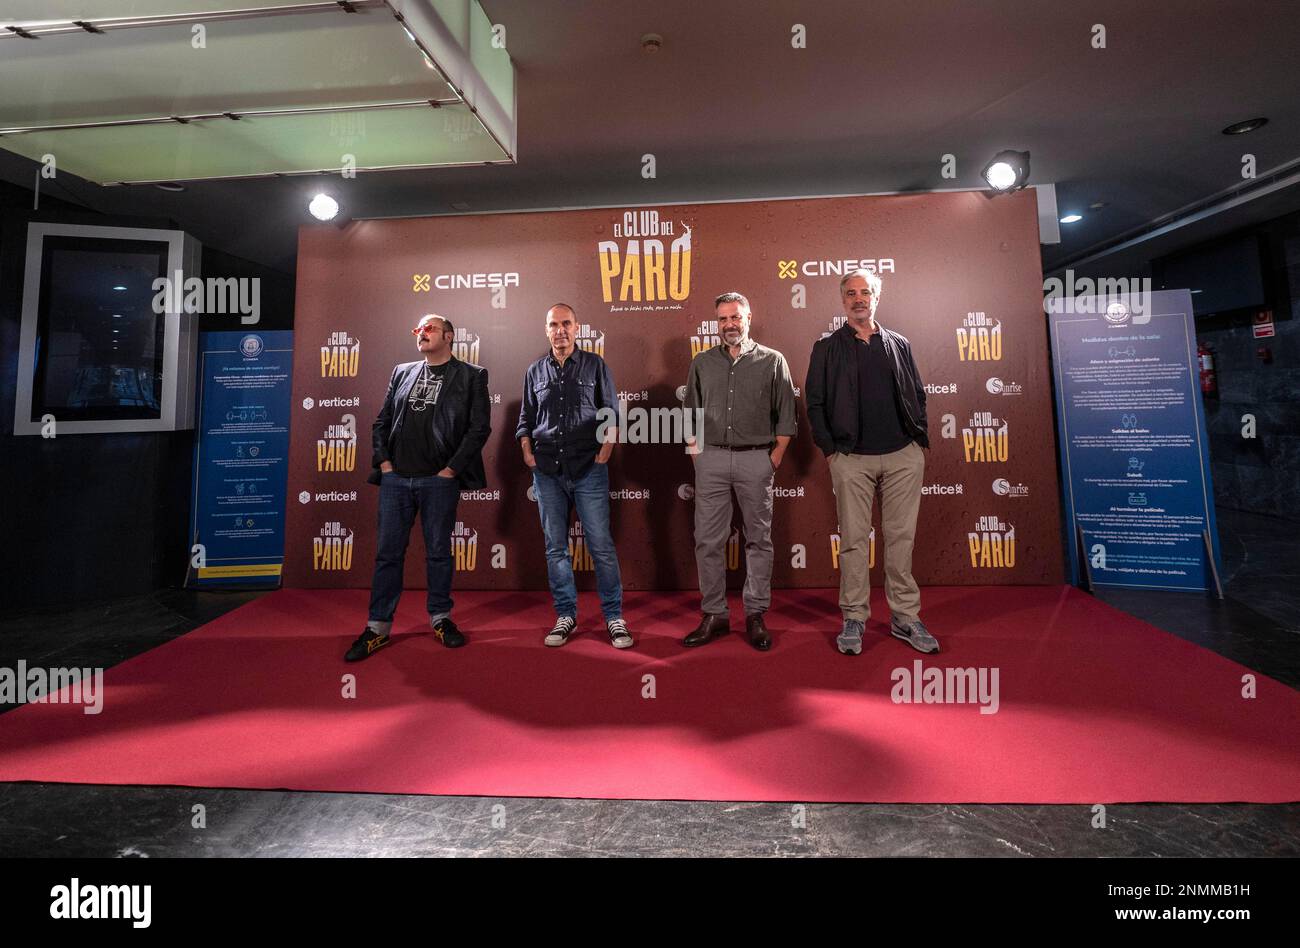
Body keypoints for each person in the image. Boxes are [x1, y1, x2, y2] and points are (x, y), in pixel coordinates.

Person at [806, 269, 939, 655]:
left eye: (866, 292)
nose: (859, 298)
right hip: (851, 458)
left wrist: (918, 439)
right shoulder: (827, 348)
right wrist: (831, 450)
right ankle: (854, 617)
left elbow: (917, 392)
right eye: (851, 293)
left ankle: (905, 617)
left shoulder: (898, 343)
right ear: (843, 300)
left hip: (903, 455)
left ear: (877, 297)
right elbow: (814, 403)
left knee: (900, 539)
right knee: (852, 541)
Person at [344, 313, 491, 661]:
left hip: (439, 481)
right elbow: (381, 421)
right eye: (418, 329)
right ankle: (377, 627)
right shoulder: (402, 372)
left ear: (450, 336)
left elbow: (478, 429)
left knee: (439, 553)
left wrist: (451, 470)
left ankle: (441, 619)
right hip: (396, 481)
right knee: (387, 555)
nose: (421, 334)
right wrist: (385, 465)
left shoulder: (472, 376)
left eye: (430, 329)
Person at [681, 291, 796, 650]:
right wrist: (697, 454)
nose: (729, 324)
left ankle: (755, 614)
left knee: (758, 539)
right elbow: (690, 414)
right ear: (716, 323)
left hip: (756, 460)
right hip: (711, 459)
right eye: (723, 319)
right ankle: (714, 614)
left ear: (748, 317)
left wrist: (774, 456)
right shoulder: (702, 363)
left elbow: (787, 415)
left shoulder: (773, 361)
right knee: (707, 540)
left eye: (735, 317)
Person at [517, 303, 632, 649]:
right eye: (554, 324)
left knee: (601, 547)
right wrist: (527, 451)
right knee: (555, 549)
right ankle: (565, 615)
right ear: (546, 330)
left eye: (566, 323)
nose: (560, 330)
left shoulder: (596, 366)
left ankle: (614, 617)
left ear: (577, 328)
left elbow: (611, 412)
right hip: (547, 471)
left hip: (588, 470)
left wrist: (605, 452)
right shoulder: (535, 371)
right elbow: (526, 417)